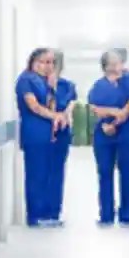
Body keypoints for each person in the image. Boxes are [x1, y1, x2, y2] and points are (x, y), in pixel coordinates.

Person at [87, 50, 129, 226]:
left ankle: (126, 212)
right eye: (111, 63)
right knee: (104, 172)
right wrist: (111, 115)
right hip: (103, 135)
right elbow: (94, 108)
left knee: (127, 172)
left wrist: (115, 122)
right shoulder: (98, 85)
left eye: (118, 62)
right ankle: (106, 213)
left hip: (127, 133)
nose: (115, 67)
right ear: (104, 66)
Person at [15, 48, 66, 227]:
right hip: (34, 135)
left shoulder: (45, 82)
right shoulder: (26, 80)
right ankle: (35, 215)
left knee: (47, 175)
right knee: (36, 175)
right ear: (35, 62)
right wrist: (55, 117)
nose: (50, 66)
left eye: (52, 62)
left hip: (47, 136)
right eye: (46, 62)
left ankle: (47, 214)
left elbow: (51, 105)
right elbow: (34, 106)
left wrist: (52, 88)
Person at [44, 52, 77, 225]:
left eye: (54, 64)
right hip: (42, 132)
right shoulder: (37, 84)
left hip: (61, 132)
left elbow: (67, 106)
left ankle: (54, 212)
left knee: (57, 171)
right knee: (43, 172)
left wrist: (54, 88)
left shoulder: (68, 86)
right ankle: (42, 211)